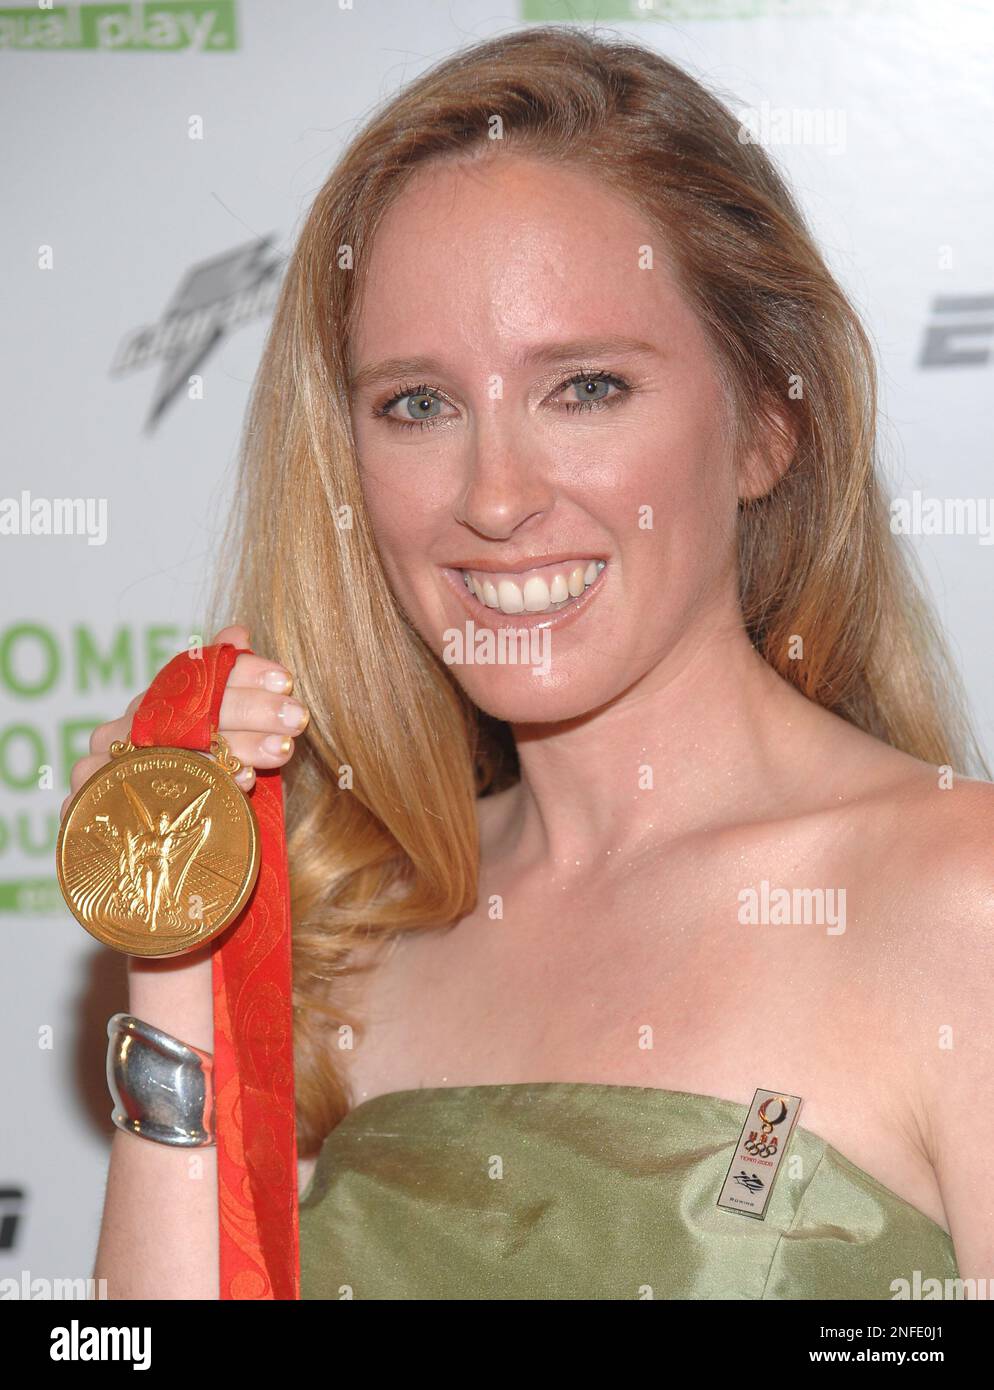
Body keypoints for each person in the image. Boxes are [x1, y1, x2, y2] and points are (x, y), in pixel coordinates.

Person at [71, 25, 994, 1300]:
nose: (493, 498)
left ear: (766, 427)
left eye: (587, 387)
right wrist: (180, 946)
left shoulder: (962, 905)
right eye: (417, 405)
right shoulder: (353, 940)